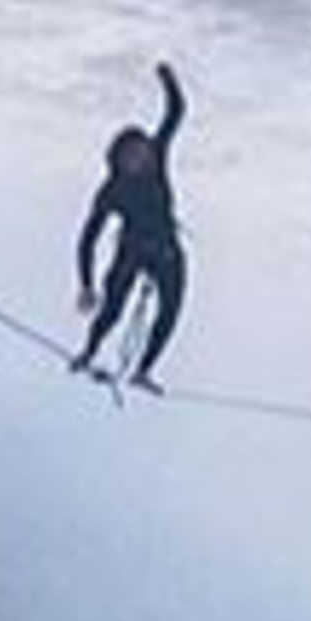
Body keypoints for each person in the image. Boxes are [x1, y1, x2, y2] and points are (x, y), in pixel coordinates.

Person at [73, 60, 187, 384]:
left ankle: (144, 371)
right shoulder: (111, 190)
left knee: (170, 310)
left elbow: (176, 113)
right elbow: (88, 238)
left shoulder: (158, 155)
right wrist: (86, 285)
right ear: (119, 160)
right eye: (133, 156)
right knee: (112, 310)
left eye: (144, 152)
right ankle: (88, 352)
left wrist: (169, 80)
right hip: (132, 250)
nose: (143, 158)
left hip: (167, 251)